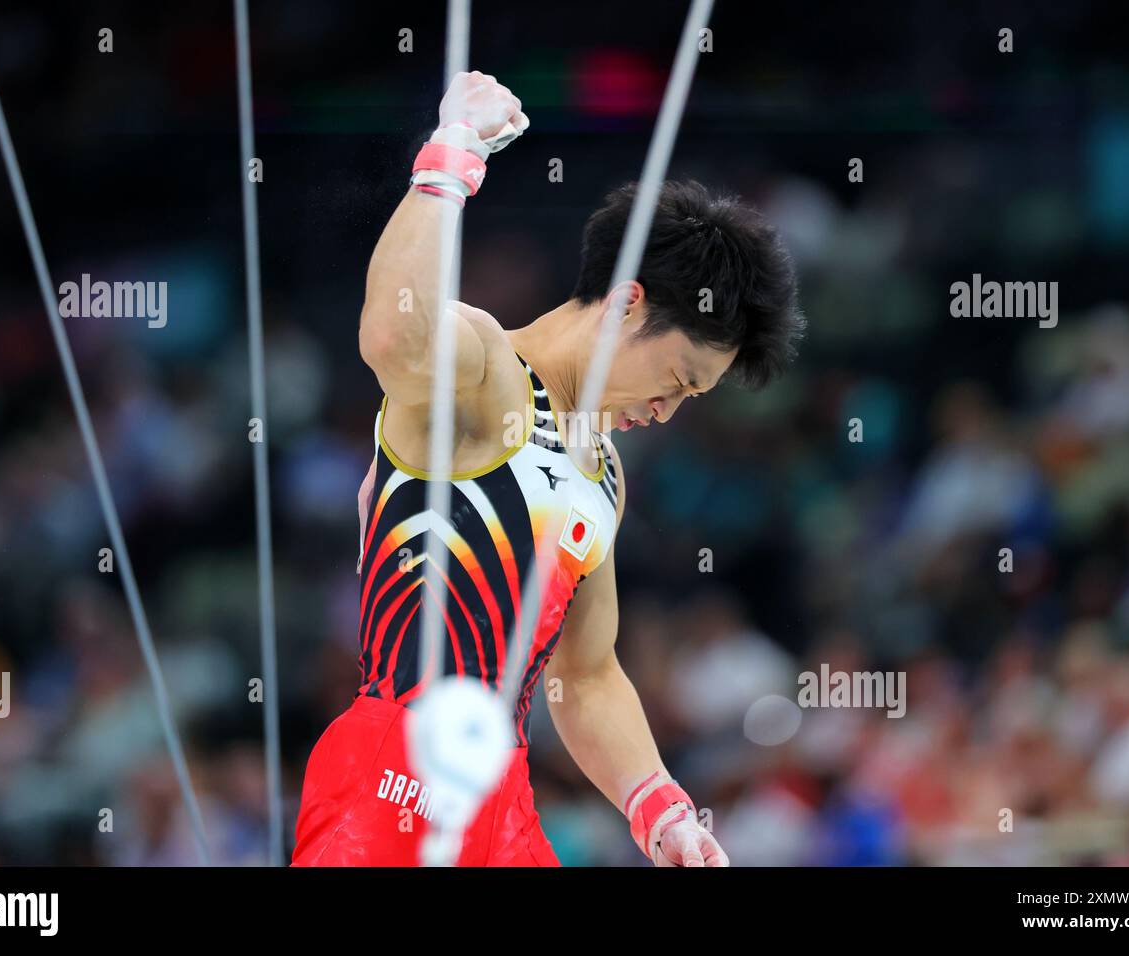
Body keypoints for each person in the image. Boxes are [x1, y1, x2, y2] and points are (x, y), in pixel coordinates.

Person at [293, 71, 802, 866]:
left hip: (504, 793)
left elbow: (588, 675)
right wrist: (449, 159)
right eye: (675, 380)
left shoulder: (604, 473)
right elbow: (393, 341)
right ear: (629, 304)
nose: (667, 411)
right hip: (399, 769)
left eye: (689, 397)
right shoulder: (485, 372)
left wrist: (659, 808)